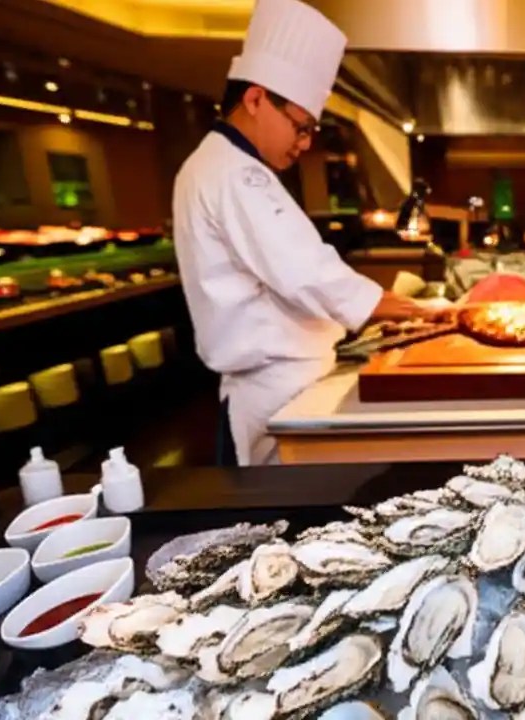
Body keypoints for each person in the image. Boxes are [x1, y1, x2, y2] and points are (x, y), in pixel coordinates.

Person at [173, 0, 426, 466]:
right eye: (301, 126)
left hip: (287, 380)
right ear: (255, 99)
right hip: (274, 391)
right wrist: (413, 309)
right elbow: (303, 270)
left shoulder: (228, 166)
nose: (305, 142)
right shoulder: (232, 173)